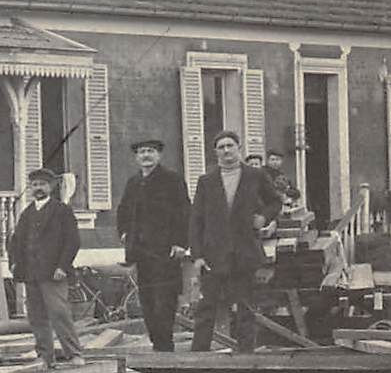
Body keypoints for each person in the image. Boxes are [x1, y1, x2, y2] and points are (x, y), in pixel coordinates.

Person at [189, 130, 282, 352]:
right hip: (214, 254)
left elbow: (275, 202)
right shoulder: (206, 181)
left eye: (230, 145)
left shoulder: (255, 176)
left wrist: (263, 217)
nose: (226, 150)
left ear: (239, 148)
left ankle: (245, 359)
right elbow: (196, 220)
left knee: (246, 308)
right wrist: (198, 256)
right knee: (206, 307)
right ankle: (197, 359)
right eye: (221, 147)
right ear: (215, 153)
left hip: (245, 252)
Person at [114, 137, 190, 352]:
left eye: (150, 151)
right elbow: (123, 210)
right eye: (141, 152)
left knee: (164, 301)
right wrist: (124, 234)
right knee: (147, 301)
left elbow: (184, 212)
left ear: (159, 155)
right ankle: (158, 345)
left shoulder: (172, 180)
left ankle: (166, 348)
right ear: (136, 158)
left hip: (165, 251)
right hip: (141, 252)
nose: (146, 155)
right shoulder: (134, 182)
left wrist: (180, 242)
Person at [7, 167, 85, 368]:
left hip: (54, 273)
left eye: (42, 184)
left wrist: (62, 266)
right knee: (36, 316)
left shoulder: (62, 211)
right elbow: (16, 241)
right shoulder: (27, 213)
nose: (38, 188)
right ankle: (45, 356)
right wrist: (14, 263)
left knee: (59, 313)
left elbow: (72, 241)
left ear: (50, 187)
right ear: (30, 188)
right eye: (34, 185)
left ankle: (74, 354)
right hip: (31, 273)